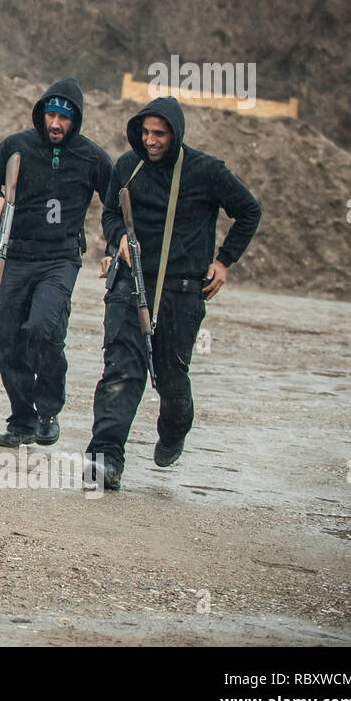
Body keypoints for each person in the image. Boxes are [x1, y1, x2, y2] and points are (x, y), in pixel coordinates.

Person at [85, 95, 260, 490]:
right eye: (145, 132)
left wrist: (224, 261)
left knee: (171, 378)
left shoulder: (206, 171)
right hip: (130, 285)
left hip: (182, 291)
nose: (151, 140)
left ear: (175, 133)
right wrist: (118, 241)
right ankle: (105, 458)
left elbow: (249, 211)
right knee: (121, 372)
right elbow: (111, 213)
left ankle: (175, 428)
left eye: (159, 133)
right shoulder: (128, 166)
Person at [0, 77, 112, 448]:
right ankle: (22, 419)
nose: (55, 124)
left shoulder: (92, 157)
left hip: (60, 259)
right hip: (15, 254)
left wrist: (114, 245)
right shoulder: (16, 146)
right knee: (7, 340)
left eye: (63, 118)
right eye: (50, 115)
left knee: (43, 329)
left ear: (76, 121)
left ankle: (48, 410)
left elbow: (116, 205)